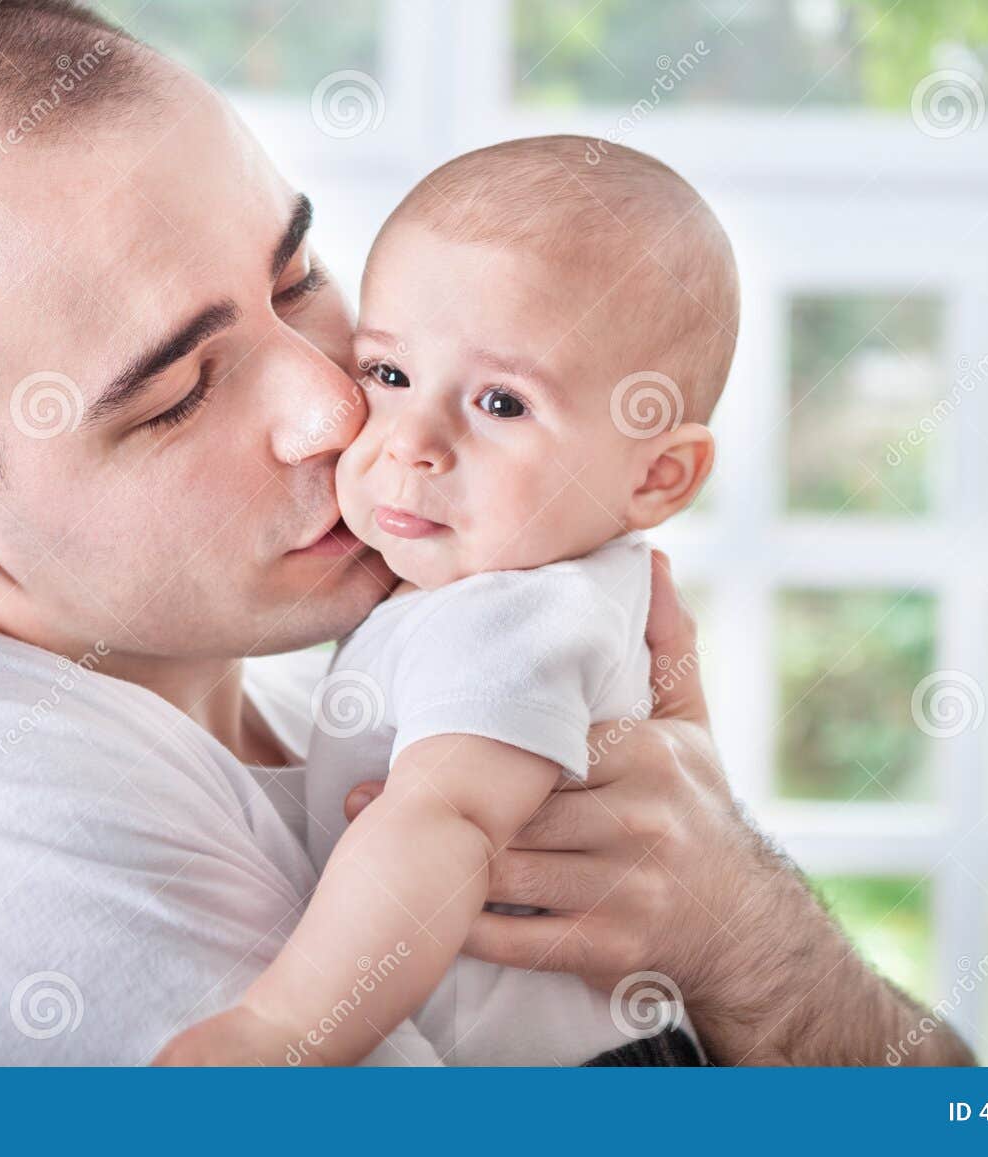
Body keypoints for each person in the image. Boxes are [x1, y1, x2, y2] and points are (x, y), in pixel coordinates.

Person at [0, 0, 972, 1067]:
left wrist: (742, 927)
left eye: (298, 278)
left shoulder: (345, 707)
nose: (333, 400)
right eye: (177, 392)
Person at [158, 137, 736, 1066]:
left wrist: (283, 1030)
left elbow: (443, 824)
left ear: (657, 474)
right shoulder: (497, 583)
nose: (413, 442)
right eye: (388, 375)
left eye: (503, 404)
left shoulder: (519, 615)